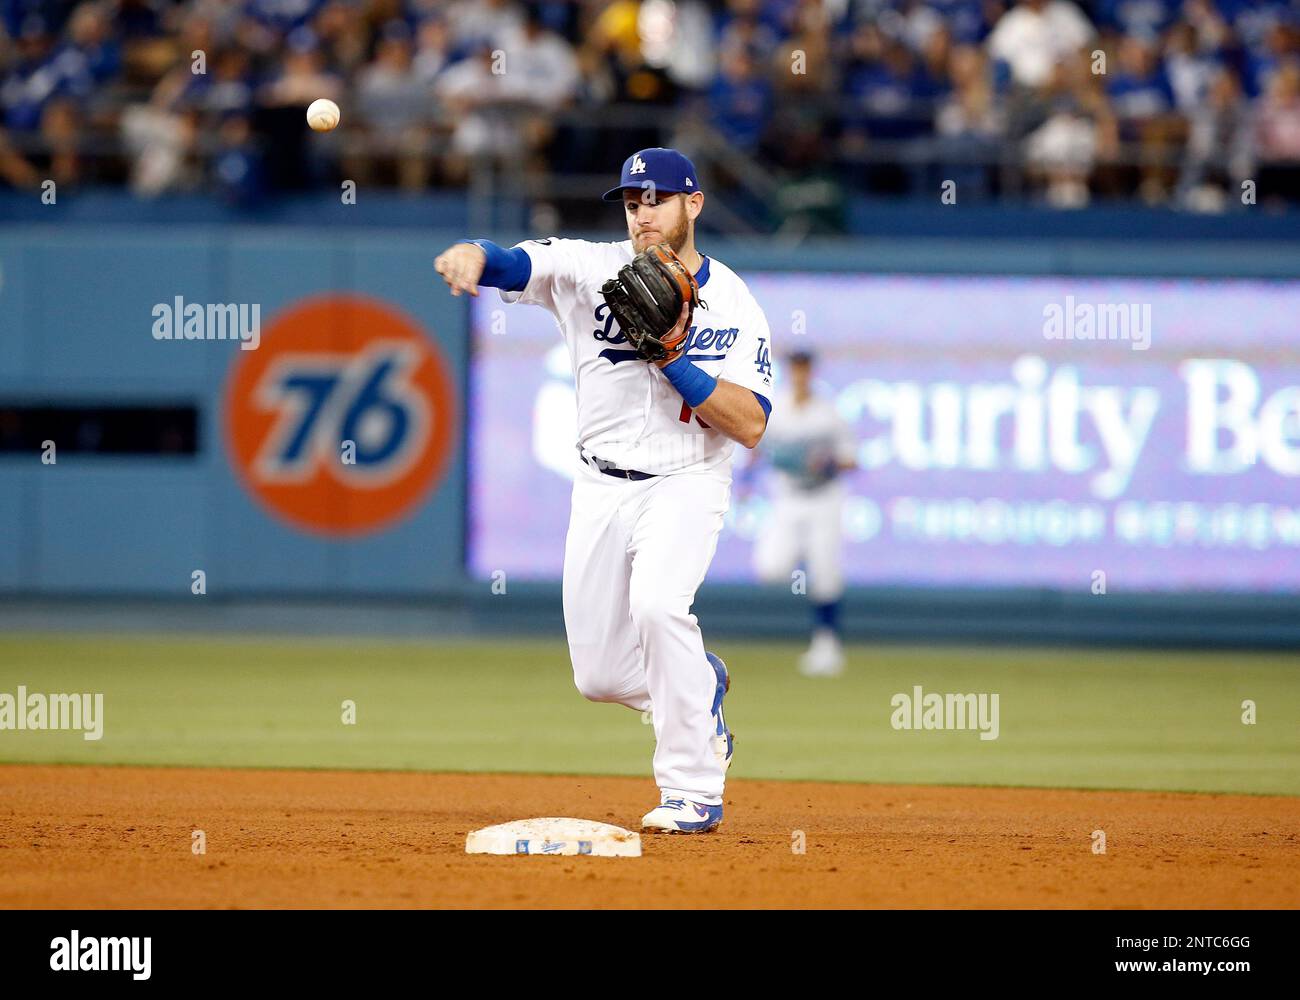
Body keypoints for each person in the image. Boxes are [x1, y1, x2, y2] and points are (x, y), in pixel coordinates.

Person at [433, 147, 774, 833]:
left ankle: (692, 789)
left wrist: (673, 359)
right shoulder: (591, 269)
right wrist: (473, 254)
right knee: (600, 676)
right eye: (632, 200)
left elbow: (751, 423)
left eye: (657, 198)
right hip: (599, 484)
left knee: (657, 606)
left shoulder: (734, 302)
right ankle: (697, 685)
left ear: (694, 204)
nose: (643, 212)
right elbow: (517, 261)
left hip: (686, 478)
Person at [752, 350, 855, 677]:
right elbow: (755, 445)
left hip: (824, 497)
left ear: (812, 372)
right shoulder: (777, 409)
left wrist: (827, 462)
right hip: (788, 497)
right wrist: (742, 480)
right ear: (789, 372)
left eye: (805, 370)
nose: (801, 376)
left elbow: (851, 459)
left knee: (825, 573)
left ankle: (827, 645)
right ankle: (801, 555)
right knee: (770, 567)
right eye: (796, 370)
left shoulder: (828, 412)